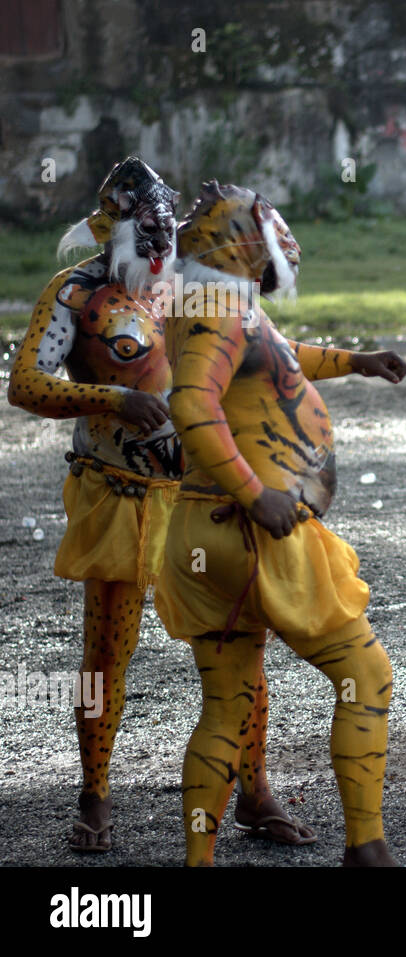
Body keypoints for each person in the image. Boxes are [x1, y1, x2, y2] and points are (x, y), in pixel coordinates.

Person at [7, 158, 303, 853]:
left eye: (167, 236)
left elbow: (263, 354)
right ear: (112, 232)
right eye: (148, 237)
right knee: (107, 654)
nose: (161, 250)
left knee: (240, 643)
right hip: (119, 499)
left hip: (203, 495)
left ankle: (255, 791)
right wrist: (111, 398)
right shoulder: (75, 293)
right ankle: (95, 796)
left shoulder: (197, 290)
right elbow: (24, 384)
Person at [154, 182, 406, 866]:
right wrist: (254, 491)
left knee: (226, 705)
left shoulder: (203, 308)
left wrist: (354, 362)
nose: (278, 261)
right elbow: (191, 401)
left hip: (197, 531)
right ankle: (367, 846)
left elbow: (277, 353)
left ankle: (198, 861)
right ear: (243, 246)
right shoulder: (222, 315)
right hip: (251, 531)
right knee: (367, 672)